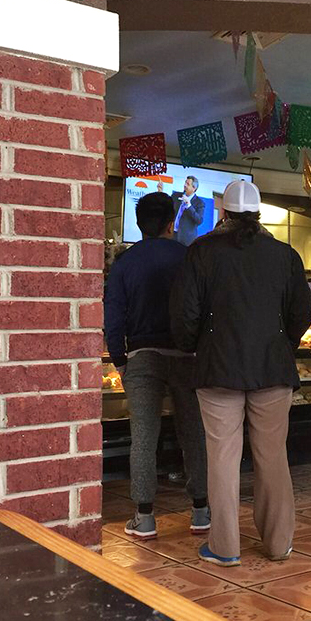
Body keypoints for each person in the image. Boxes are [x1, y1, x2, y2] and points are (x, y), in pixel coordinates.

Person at [171, 180, 311, 567]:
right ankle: (279, 543)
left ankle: (225, 546)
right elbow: (302, 315)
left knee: (222, 457)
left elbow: (185, 315)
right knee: (273, 457)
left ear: (223, 213)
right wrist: (283, 344)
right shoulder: (285, 255)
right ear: (258, 213)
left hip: (218, 368)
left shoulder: (201, 251)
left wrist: (193, 346)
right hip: (273, 368)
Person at [104, 192, 209, 539]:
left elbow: (113, 317)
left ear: (138, 224)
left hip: (141, 356)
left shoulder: (123, 264)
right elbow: (201, 308)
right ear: (171, 223)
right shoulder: (188, 257)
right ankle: (200, 511)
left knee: (143, 438)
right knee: (193, 434)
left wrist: (119, 359)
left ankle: (145, 517)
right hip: (184, 355)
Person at [173, 176, 205, 246]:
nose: (185, 185)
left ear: (194, 188)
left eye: (188, 184)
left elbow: (199, 220)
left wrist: (189, 206)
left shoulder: (199, 203)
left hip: (186, 240)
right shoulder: (175, 196)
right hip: (172, 235)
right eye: (185, 182)